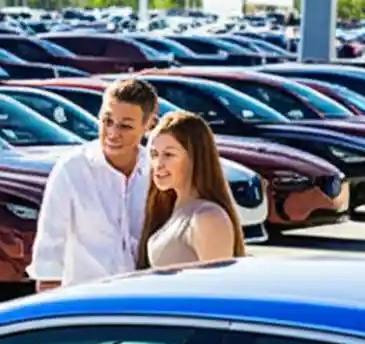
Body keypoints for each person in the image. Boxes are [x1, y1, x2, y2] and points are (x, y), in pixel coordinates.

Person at [28, 77, 159, 290]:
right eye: (107, 121)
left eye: (125, 126)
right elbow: (49, 251)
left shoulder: (157, 171)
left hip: (143, 300)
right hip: (86, 303)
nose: (113, 133)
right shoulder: (72, 169)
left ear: (149, 125)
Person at [138, 110, 245, 269]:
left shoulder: (207, 217)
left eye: (168, 154)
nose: (158, 164)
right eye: (154, 154)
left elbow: (219, 287)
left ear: (195, 157)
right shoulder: (174, 210)